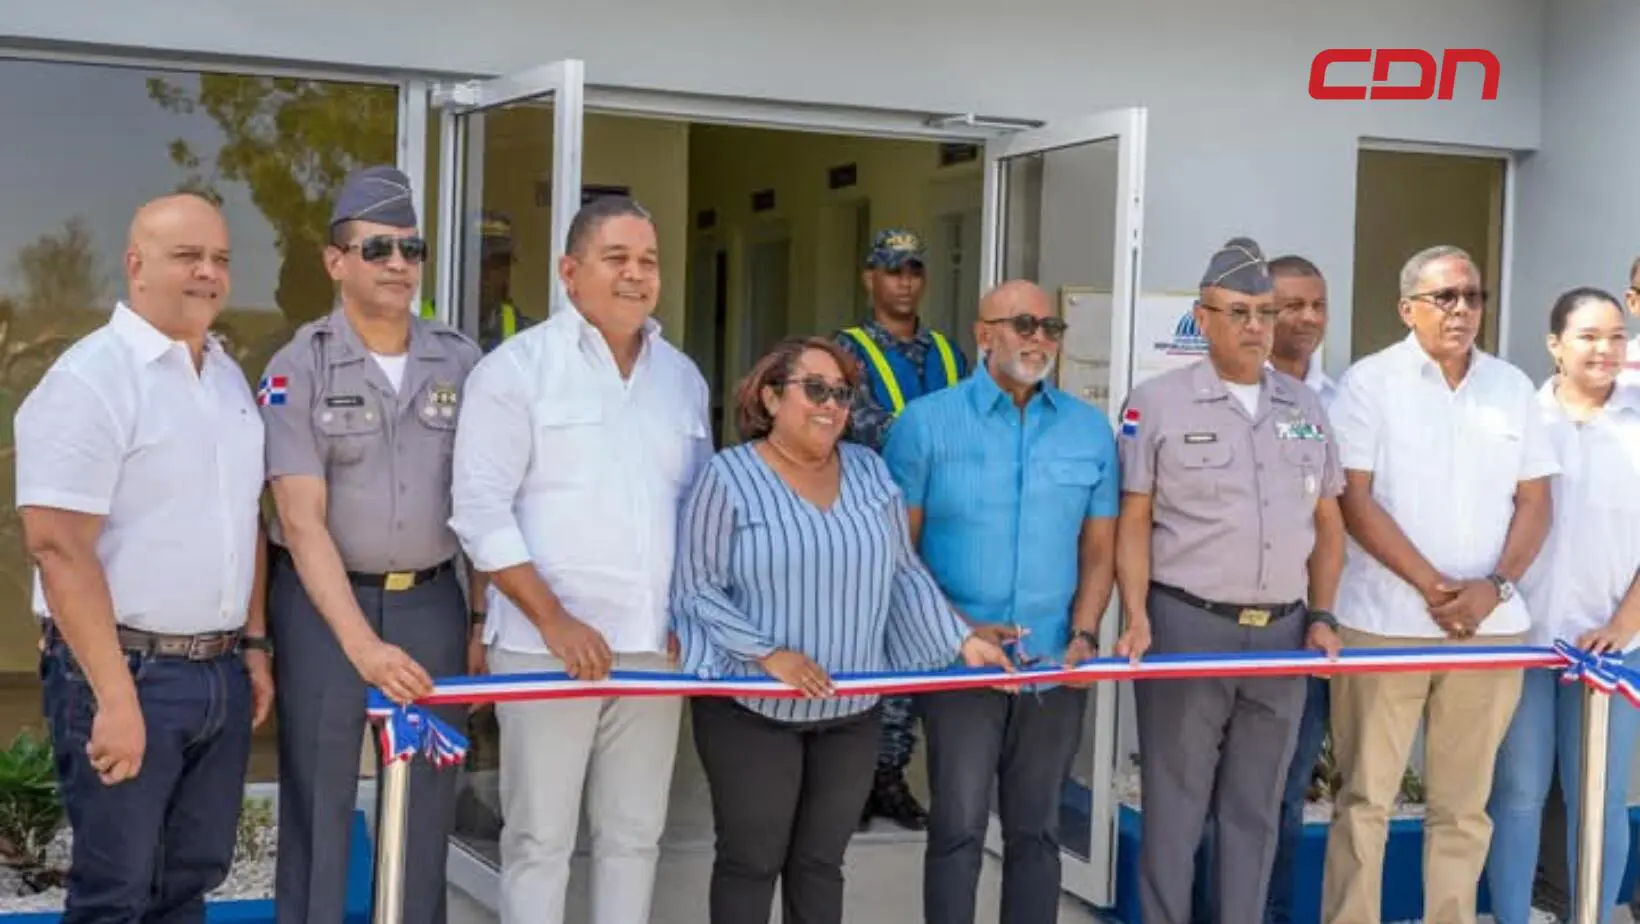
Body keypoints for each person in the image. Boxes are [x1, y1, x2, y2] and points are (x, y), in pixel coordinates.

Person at [670, 337, 1011, 924]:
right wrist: (769, 653)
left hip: (851, 710)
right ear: (771, 398)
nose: (831, 405)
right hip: (753, 710)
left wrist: (962, 640)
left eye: (842, 393)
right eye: (815, 389)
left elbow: (904, 572)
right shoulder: (727, 476)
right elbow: (695, 587)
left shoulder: (869, 470)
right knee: (752, 862)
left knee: (820, 864)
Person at [449, 195, 712, 924]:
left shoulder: (681, 378)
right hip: (545, 650)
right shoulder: (516, 370)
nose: (636, 274)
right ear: (570, 272)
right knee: (539, 839)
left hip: (654, 649)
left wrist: (692, 615)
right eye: (616, 258)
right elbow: (479, 512)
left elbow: (702, 513)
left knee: (635, 836)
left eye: (648, 261)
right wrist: (555, 621)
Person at [16, 193, 273, 922]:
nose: (208, 273)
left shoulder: (225, 376)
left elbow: (245, 519)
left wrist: (253, 647)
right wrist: (115, 698)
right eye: (187, 256)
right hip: (126, 672)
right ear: (136, 265)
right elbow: (59, 548)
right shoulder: (91, 380)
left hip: (218, 671)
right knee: (116, 894)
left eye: (220, 258)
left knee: (187, 885)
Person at [261, 165, 484, 924]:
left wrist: (480, 618)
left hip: (431, 601)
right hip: (323, 610)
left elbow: (486, 503)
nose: (398, 264)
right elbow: (300, 520)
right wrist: (362, 646)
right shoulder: (299, 366)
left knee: (427, 801)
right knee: (320, 800)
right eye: (378, 248)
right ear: (336, 261)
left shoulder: (461, 361)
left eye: (411, 249)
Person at [1320, 244, 1557, 924]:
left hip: (1489, 630)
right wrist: (1433, 586)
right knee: (1364, 801)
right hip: (1383, 623)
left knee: (1464, 807)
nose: (1461, 309)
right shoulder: (1369, 383)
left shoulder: (1511, 387)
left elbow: (1535, 502)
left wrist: (1494, 586)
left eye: (1473, 296)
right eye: (1444, 297)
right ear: (1407, 308)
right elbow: (1354, 499)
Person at [1115, 237, 1345, 924]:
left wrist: (1322, 614)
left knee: (1256, 808)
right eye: (1238, 312)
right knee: (1176, 807)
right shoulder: (1157, 403)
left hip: (1281, 632)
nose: (1255, 327)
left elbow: (1328, 524)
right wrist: (1136, 615)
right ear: (1203, 318)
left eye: (1265, 313)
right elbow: (1134, 518)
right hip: (1189, 624)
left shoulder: (1303, 406)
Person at [878, 280, 1118, 924]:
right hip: (959, 663)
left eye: (1050, 327)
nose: (1040, 339)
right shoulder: (925, 425)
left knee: (1037, 830)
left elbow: (1100, 550)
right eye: (1023, 325)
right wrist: (958, 631)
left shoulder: (1088, 431)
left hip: (1053, 662)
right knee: (957, 826)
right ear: (984, 334)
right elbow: (899, 552)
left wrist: (1085, 633)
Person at [1484, 287, 1640, 924]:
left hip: (1613, 648)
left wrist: (1623, 624)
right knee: (1518, 792)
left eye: (1616, 336)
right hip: (1523, 639)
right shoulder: (1519, 418)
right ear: (1555, 344)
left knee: (1597, 799)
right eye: (1589, 336)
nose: (1606, 349)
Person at [1192, 253, 1339, 924]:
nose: (1302, 318)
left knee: (1281, 791)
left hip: (1305, 627)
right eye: (1286, 306)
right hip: (1214, 625)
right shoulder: (1201, 395)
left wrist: (1324, 613)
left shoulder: (1339, 398)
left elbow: (1336, 516)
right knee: (1209, 792)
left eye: (1316, 305)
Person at [834, 227, 970, 831]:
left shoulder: (948, 353)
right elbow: (857, 424)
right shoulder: (847, 350)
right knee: (869, 650)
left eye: (914, 269)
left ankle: (889, 776)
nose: (905, 282)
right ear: (871, 278)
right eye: (893, 270)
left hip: (945, 523)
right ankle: (854, 782)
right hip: (872, 521)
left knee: (921, 652)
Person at [419, 210, 535, 350]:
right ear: (458, 264)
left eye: (498, 264)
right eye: (480, 262)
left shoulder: (524, 333)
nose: (488, 274)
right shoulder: (417, 325)